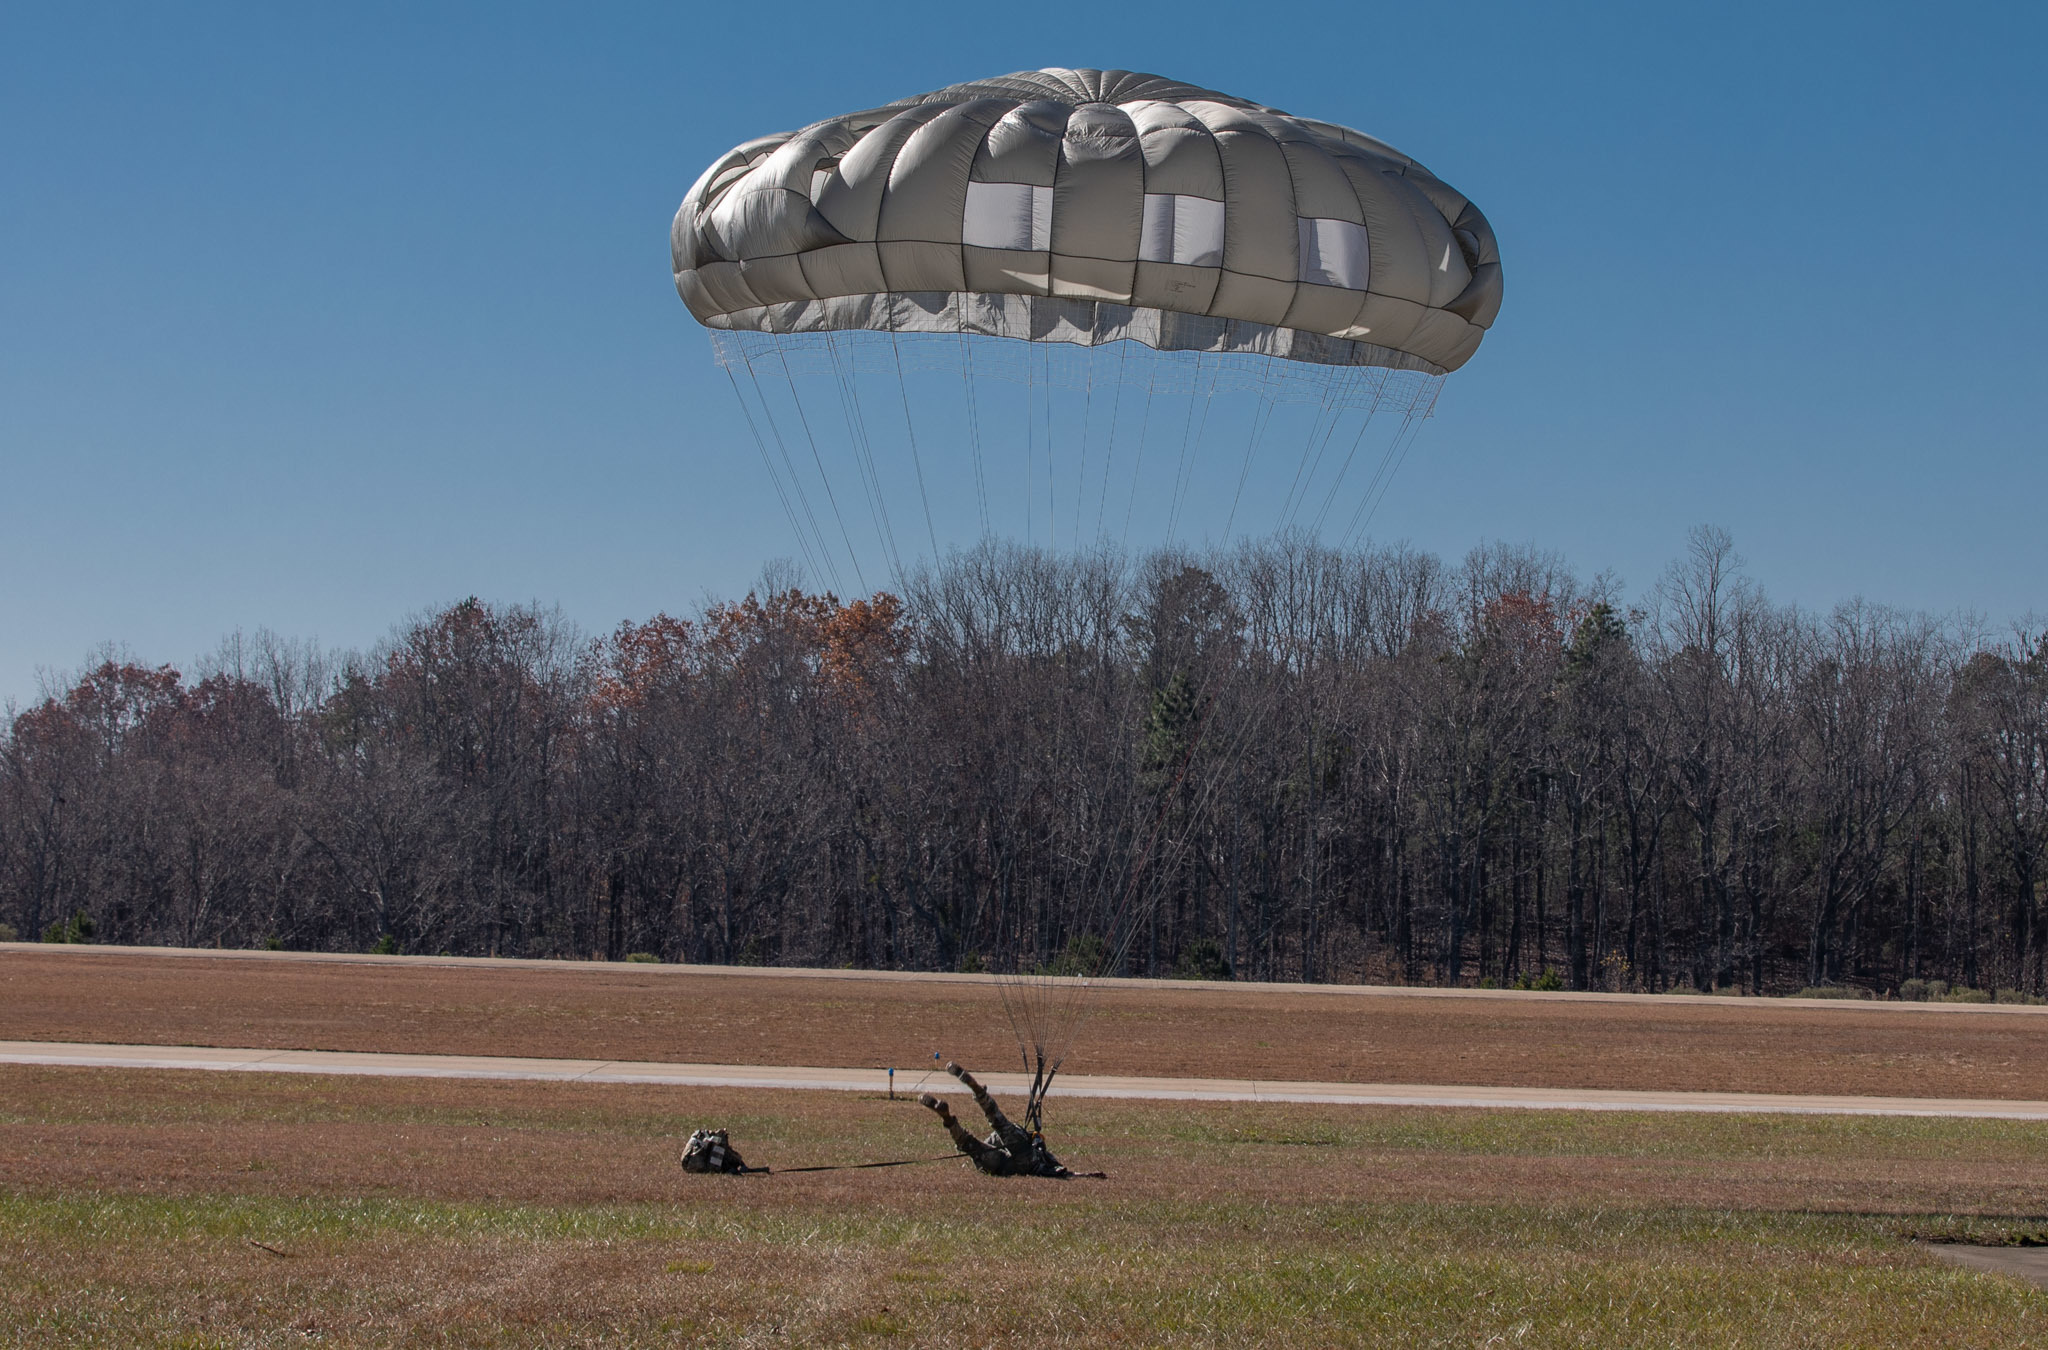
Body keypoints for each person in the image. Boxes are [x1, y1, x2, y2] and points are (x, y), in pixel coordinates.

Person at [919, 1061, 1073, 1178]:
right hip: (1013, 1165)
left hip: (1002, 1164)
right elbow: (1062, 1171)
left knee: (996, 1122)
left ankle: (977, 1092)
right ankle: (948, 1117)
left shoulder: (1031, 1144)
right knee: (969, 1143)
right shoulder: (1042, 1156)